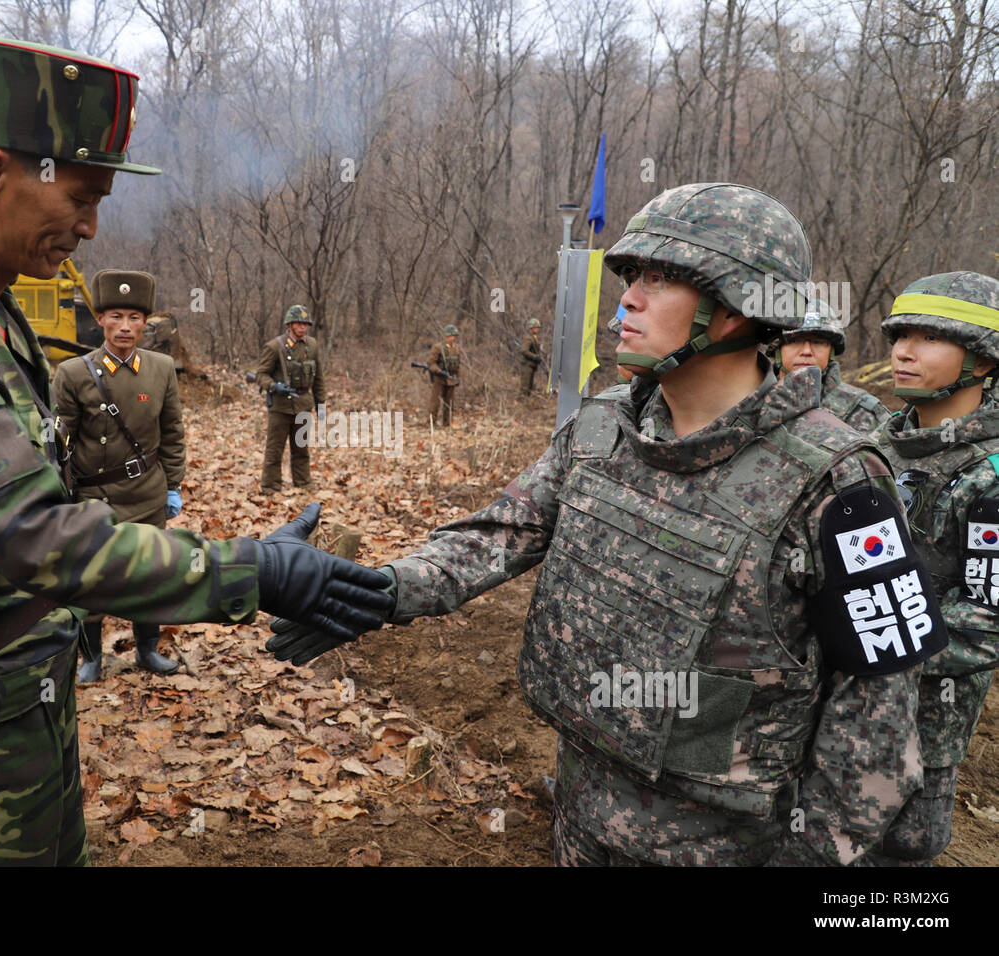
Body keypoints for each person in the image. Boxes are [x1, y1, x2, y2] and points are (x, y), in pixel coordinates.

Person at [0, 37, 390, 867]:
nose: (91, 229)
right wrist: (252, 574)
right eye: (83, 198)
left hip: (21, 692)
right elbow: (38, 534)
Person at [270, 183, 945, 866]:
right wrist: (380, 590)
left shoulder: (841, 483)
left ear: (742, 308)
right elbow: (497, 535)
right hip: (578, 817)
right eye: (631, 277)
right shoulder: (604, 425)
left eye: (662, 280)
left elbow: (877, 725)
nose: (627, 298)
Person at [864, 271, 999, 866]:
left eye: (930, 338)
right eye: (900, 335)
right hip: (833, 703)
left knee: (900, 849)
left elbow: (987, 618)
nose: (904, 351)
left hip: (924, 718)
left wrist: (875, 649)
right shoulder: (873, 448)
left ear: (985, 362)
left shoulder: (991, 473)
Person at [53, 270, 183, 678]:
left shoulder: (162, 368)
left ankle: (147, 651)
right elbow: (60, 441)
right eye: (115, 316)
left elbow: (173, 433)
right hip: (95, 497)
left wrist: (174, 485)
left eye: (134, 317)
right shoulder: (73, 373)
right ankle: (91, 658)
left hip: (147, 491)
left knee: (150, 575)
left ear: (146, 323)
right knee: (93, 579)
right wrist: (61, 494)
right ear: (100, 319)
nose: (125, 327)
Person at [772, 300, 888, 432]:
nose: (807, 351)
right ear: (776, 349)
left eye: (818, 342)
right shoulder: (751, 404)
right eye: (794, 341)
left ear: (831, 352)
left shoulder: (865, 413)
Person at [255, 304, 325, 493]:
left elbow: (318, 378)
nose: (303, 327)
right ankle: (270, 485)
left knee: (301, 448)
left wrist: (321, 405)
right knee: (275, 449)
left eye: (305, 324)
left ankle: (303, 482)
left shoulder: (312, 346)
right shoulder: (274, 347)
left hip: (303, 404)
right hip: (281, 406)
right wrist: (273, 386)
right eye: (299, 324)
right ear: (290, 324)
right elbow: (261, 374)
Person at [427, 325, 461, 426]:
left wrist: (458, 378)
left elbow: (458, 364)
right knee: (435, 402)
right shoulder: (438, 347)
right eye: (451, 336)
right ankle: (431, 423)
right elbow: (431, 363)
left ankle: (447, 423)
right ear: (446, 336)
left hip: (451, 378)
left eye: (454, 336)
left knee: (449, 403)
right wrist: (438, 371)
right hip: (439, 378)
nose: (453, 338)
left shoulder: (456, 348)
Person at [520, 318, 543, 397]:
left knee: (529, 388)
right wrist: (535, 357)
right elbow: (524, 351)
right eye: (536, 327)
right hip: (527, 366)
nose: (537, 329)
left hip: (531, 366)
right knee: (524, 389)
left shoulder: (534, 337)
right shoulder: (528, 338)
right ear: (531, 328)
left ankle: (526, 405)